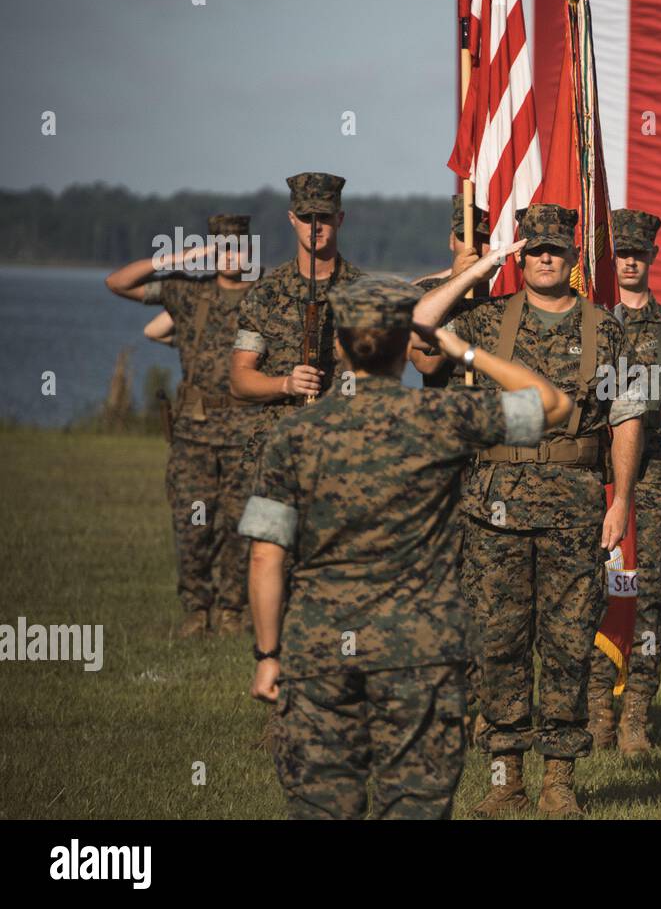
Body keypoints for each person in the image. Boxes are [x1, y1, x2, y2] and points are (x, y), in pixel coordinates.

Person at [243, 272, 572, 819]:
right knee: (413, 804)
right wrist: (462, 348)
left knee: (324, 803)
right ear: (406, 344)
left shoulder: (294, 435)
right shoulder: (441, 418)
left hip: (320, 648)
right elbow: (551, 403)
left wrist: (268, 654)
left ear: (342, 343)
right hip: (419, 649)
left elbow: (265, 554)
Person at [427, 203, 644, 817]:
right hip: (495, 502)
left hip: (575, 503)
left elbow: (627, 420)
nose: (546, 257)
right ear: (519, 256)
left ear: (574, 256)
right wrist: (471, 273)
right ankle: (505, 782)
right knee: (498, 641)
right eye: (534, 249)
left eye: (556, 249)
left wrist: (621, 498)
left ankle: (558, 783)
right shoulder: (487, 318)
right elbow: (419, 341)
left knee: (568, 642)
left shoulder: (610, 329)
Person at [585, 208, 661, 756]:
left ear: (653, 257)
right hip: (593, 469)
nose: (630, 260)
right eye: (622, 252)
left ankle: (636, 715)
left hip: (654, 470)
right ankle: (595, 715)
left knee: (646, 591)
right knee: (593, 588)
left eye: (640, 252)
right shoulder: (590, 319)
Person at [105, 215, 259, 637]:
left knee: (240, 525)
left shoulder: (266, 295)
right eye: (223, 248)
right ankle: (195, 609)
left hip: (247, 428)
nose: (232, 256)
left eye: (239, 248)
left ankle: (232, 610)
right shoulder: (187, 292)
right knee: (192, 524)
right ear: (211, 252)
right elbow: (117, 283)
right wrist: (180, 257)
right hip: (194, 431)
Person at [230, 172, 364, 506]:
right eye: (306, 218)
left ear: (340, 219)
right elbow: (240, 380)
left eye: (324, 218)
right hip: (279, 456)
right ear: (292, 219)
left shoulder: (364, 293)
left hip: (343, 456)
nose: (315, 226)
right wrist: (286, 384)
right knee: (270, 553)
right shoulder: (266, 293)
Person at [409, 193, 493, 388]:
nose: (474, 246)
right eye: (465, 237)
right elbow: (426, 364)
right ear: (451, 241)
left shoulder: (510, 289)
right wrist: (459, 282)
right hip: (447, 411)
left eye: (484, 238)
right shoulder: (423, 292)